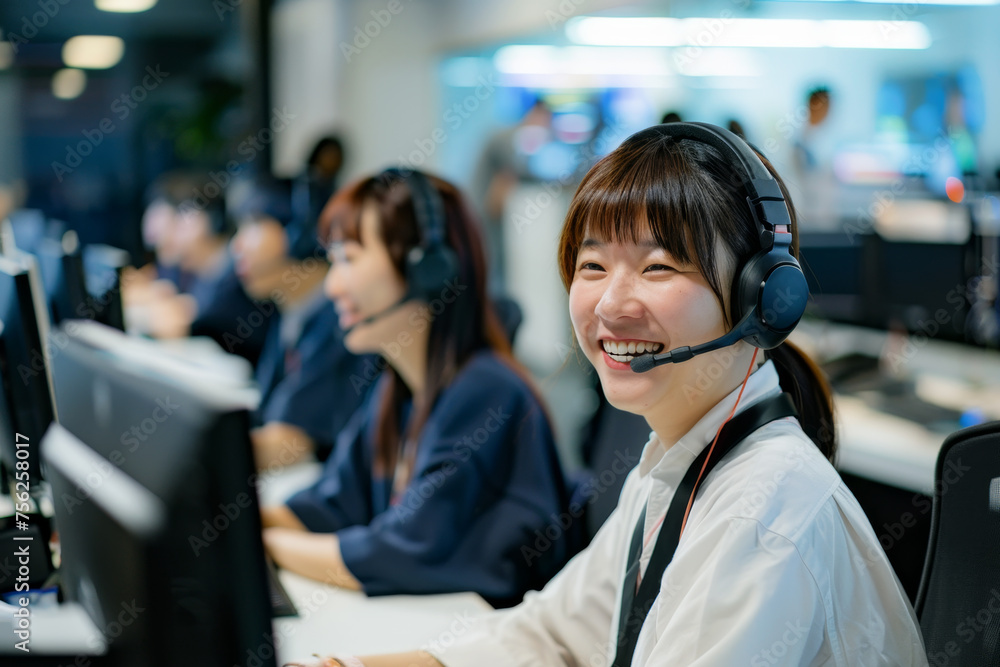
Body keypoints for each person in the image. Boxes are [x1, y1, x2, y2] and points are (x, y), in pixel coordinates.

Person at [288, 125, 927, 666]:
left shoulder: (758, 517)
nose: (612, 304)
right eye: (592, 267)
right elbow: (552, 633)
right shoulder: (674, 468)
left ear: (765, 299)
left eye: (658, 268)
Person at [261, 168, 575, 609]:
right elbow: (330, 506)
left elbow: (396, 555)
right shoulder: (399, 390)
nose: (332, 286)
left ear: (428, 268)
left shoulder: (487, 392)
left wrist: (267, 545)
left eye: (349, 259)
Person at [230, 178, 370, 467]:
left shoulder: (338, 320)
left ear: (299, 235)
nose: (237, 245)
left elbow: (291, 442)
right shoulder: (292, 312)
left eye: (253, 225)